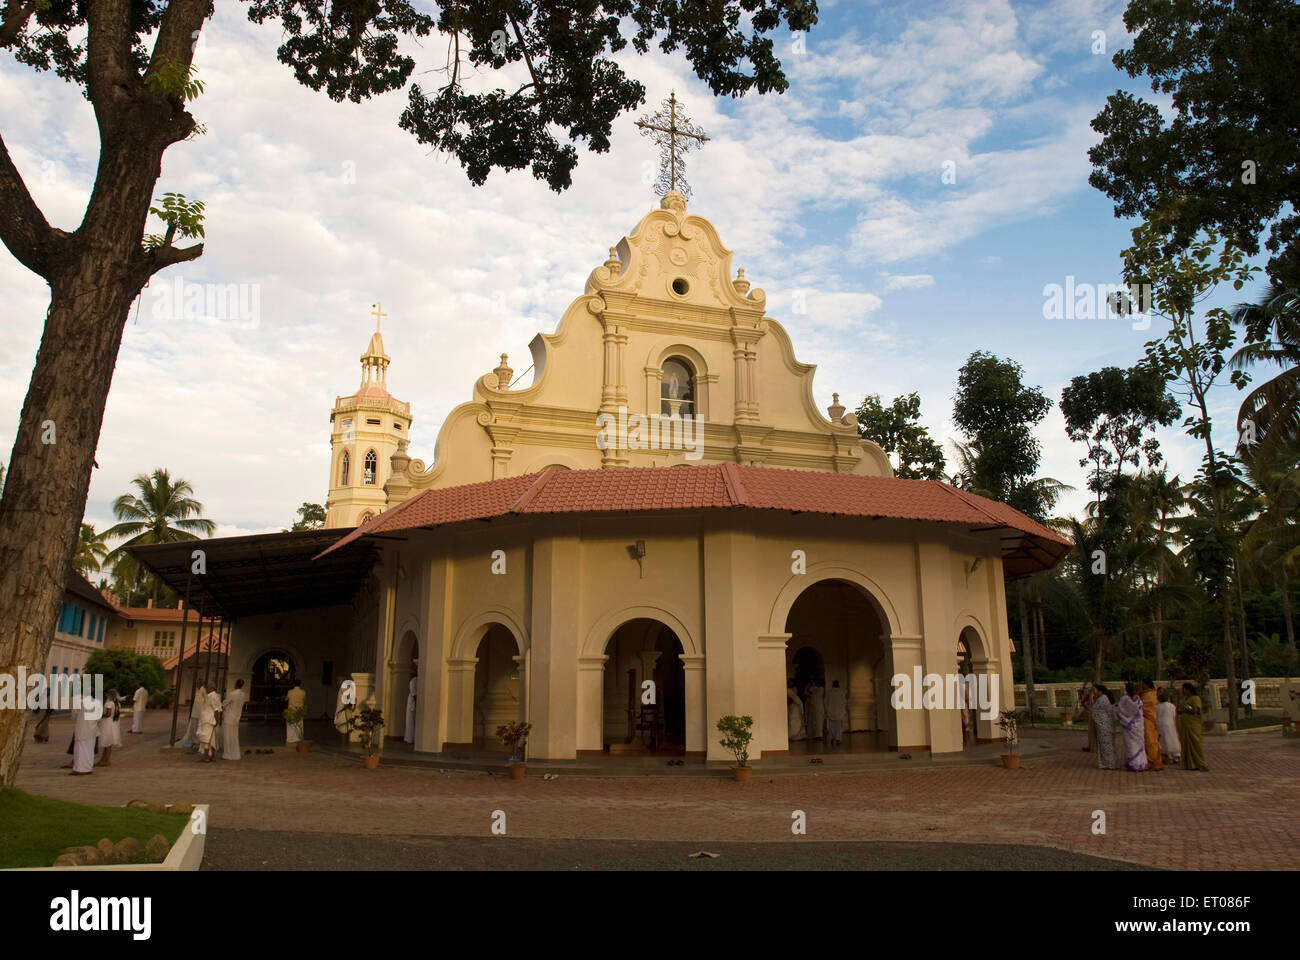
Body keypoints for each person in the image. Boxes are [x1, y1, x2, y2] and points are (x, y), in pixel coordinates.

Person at [1176, 682, 1209, 771]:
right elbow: (1179, 710)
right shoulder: (1185, 699)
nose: (1182, 691)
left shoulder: (1195, 698)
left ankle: (1201, 764)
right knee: (1186, 744)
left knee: (1196, 743)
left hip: (1193, 725)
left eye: (1183, 689)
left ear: (1188, 690)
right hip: (1185, 725)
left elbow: (1195, 710)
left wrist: (1186, 707)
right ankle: (1190, 764)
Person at [1116, 683, 1148, 771]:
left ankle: (1134, 764)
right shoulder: (1138, 699)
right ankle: (1141, 763)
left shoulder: (1124, 698)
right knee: (1139, 744)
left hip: (1128, 726)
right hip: (1138, 725)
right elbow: (1140, 712)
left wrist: (1125, 720)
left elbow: (1119, 711)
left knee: (1130, 744)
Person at [1139, 679, 1163, 771]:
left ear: (1147, 685)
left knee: (1151, 742)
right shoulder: (1148, 694)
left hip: (1149, 720)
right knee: (1149, 741)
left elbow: (1145, 708)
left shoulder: (1149, 695)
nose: (1142, 686)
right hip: (1148, 720)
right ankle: (1151, 761)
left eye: (1143, 684)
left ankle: (1154, 762)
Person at [71, 695, 99, 775]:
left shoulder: (79, 703)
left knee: (80, 750)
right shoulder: (97, 703)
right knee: (89, 750)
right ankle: (88, 768)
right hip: (92, 730)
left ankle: (79, 769)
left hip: (82, 729)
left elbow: (74, 716)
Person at [1091, 683, 1116, 769]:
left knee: (1106, 744)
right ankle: (1106, 763)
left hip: (1104, 724)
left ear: (1100, 691)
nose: (1093, 692)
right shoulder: (1101, 699)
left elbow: (1109, 711)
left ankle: (1109, 763)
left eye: (1094, 690)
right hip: (1102, 724)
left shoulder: (1103, 699)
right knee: (1104, 744)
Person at [195, 685, 222, 762]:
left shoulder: (213, 696)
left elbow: (216, 710)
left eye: (208, 687)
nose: (207, 689)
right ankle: (210, 756)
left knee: (206, 738)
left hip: (208, 720)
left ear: (213, 688)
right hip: (205, 719)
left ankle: (207, 757)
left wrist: (216, 720)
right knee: (210, 738)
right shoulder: (209, 696)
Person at [221, 679, 246, 760]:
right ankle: (235, 753)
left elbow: (224, 703)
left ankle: (227, 754)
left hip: (229, 717)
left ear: (236, 684)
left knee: (227, 736)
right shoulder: (243, 694)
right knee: (234, 737)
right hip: (236, 717)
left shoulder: (232, 694)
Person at [96, 688, 122, 767]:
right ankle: (105, 759)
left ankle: (105, 760)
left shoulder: (109, 703)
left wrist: (100, 715)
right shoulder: (116, 703)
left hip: (107, 723)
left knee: (107, 742)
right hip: (112, 723)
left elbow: (108, 714)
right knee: (109, 744)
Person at [1156, 688, 1181, 765]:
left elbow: (1155, 716)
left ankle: (1167, 756)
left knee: (1163, 740)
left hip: (1161, 725)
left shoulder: (1157, 707)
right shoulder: (1172, 706)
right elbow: (1174, 715)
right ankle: (1176, 756)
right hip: (1171, 724)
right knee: (1173, 738)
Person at [183, 682, 206, 749]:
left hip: (200, 712)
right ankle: (193, 741)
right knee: (193, 727)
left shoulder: (203, 690)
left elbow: (205, 701)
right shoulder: (197, 690)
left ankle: (197, 742)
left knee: (198, 728)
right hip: (195, 712)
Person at [825, 680, 847, 747]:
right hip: (839, 712)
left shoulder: (829, 692)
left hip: (831, 711)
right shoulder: (841, 692)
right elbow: (844, 702)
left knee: (831, 726)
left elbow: (825, 702)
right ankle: (838, 739)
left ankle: (832, 738)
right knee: (839, 726)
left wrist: (827, 710)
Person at [1076, 683, 1096, 752]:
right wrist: (1088, 709)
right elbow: (1083, 702)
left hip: (1097, 714)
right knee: (1091, 731)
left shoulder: (1099, 696)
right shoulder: (1090, 695)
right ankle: (1090, 746)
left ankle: (1094, 746)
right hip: (1092, 714)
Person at [404, 674, 417, 745]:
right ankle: (409, 738)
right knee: (410, 719)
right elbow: (413, 692)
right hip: (412, 700)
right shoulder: (414, 680)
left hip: (414, 700)